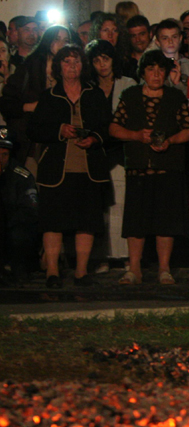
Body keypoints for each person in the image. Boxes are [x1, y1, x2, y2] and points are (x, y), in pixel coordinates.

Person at [108, 50, 189, 285]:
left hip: (168, 168)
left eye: (160, 69)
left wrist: (170, 140)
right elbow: (114, 128)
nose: (156, 74)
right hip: (138, 167)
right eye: (150, 69)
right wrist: (136, 135)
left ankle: (164, 269)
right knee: (136, 222)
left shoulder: (175, 97)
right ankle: (134, 269)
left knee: (165, 222)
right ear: (143, 72)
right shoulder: (130, 95)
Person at [28, 44, 112, 288]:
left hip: (89, 169)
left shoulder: (95, 94)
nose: (72, 67)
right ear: (59, 67)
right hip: (56, 171)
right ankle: (52, 271)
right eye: (67, 62)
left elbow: (107, 127)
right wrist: (59, 131)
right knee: (53, 222)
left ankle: (81, 272)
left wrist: (94, 138)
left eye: (76, 62)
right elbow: (34, 130)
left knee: (86, 222)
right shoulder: (49, 96)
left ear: (83, 66)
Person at [86, 40, 136, 268]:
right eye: (96, 60)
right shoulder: (88, 87)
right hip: (97, 151)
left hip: (122, 151)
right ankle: (101, 256)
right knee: (99, 207)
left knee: (122, 204)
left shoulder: (127, 83)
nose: (102, 64)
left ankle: (125, 256)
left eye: (105, 59)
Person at [0, 25, 73, 170]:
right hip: (30, 143)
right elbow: (6, 103)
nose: (62, 44)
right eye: (57, 39)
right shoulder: (29, 67)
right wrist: (29, 107)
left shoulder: (71, 71)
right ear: (48, 41)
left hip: (58, 142)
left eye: (66, 40)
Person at [0, 133, 38, 283]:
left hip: (12, 224)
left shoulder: (21, 175)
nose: (0, 159)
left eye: (4, 154)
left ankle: (17, 269)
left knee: (20, 233)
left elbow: (30, 210)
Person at [153, 19, 189, 94]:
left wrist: (178, 84)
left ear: (180, 38)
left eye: (174, 37)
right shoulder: (150, 68)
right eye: (165, 38)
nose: (170, 41)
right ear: (157, 42)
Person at [125, 15, 153, 81]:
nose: (138, 39)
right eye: (133, 36)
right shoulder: (124, 63)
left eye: (142, 34)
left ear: (150, 34)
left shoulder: (160, 59)